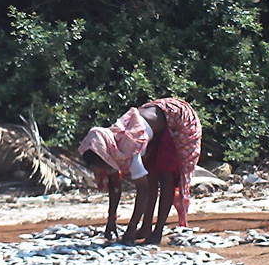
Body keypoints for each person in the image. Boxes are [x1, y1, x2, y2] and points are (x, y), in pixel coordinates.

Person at [78, 98, 202, 244]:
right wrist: (111, 220)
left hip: (178, 118)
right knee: (150, 173)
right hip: (153, 123)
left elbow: (144, 191)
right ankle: (146, 227)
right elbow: (115, 185)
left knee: (165, 174)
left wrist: (131, 228)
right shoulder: (109, 147)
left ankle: (158, 231)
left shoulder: (128, 147)